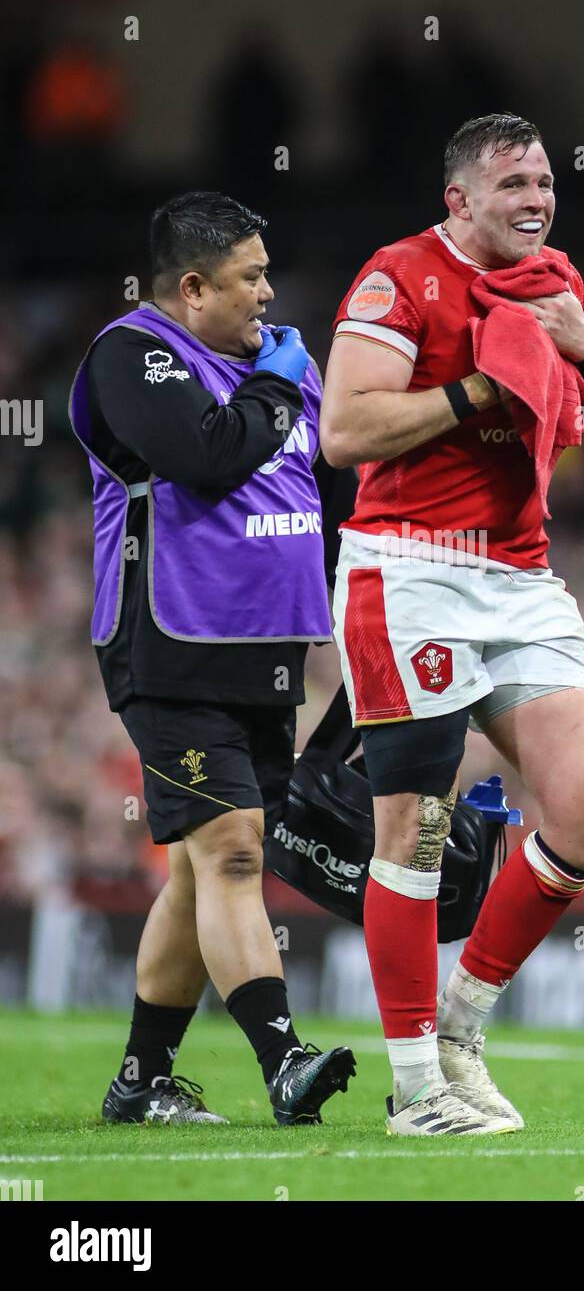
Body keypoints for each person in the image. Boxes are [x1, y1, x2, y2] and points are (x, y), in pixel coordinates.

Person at [320, 113, 584, 1136]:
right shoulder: (398, 275)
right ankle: (415, 1085)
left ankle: (461, 1025)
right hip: (406, 565)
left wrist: (581, 345)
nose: (534, 199)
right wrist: (472, 389)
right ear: (459, 200)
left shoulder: (557, 283)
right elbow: (342, 429)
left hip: (518, 572)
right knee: (413, 827)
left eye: (543, 180)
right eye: (511, 183)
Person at [69, 191, 356, 1125]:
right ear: (192, 288)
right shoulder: (134, 354)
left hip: (266, 654)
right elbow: (204, 453)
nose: (268, 294)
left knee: (203, 869)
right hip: (167, 647)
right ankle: (284, 1064)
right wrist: (277, 385)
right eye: (249, 277)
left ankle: (140, 1082)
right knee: (232, 849)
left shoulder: (285, 371)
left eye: (268, 273)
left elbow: (336, 490)